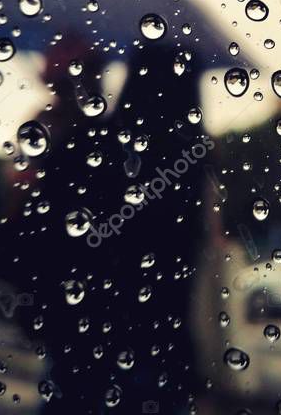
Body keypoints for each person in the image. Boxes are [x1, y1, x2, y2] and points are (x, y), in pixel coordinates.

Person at [19, 31, 210, 414]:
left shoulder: (101, 148)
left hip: (88, 336)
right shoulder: (191, 161)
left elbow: (50, 233)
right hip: (163, 345)